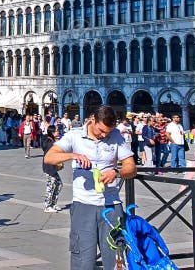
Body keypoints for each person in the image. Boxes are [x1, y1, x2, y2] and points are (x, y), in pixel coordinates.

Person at [43, 105, 136, 270]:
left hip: (111, 205)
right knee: (82, 259)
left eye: (107, 132)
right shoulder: (75, 135)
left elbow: (131, 167)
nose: (104, 135)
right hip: (83, 204)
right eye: (101, 130)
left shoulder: (116, 136)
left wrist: (116, 172)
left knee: (116, 258)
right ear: (93, 119)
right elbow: (49, 157)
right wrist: (73, 155)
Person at [41, 125, 63, 213]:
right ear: (53, 132)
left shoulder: (52, 141)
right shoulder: (50, 143)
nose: (58, 132)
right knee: (51, 186)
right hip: (49, 167)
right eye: (57, 131)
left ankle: (53, 203)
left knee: (59, 184)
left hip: (52, 167)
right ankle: (47, 205)